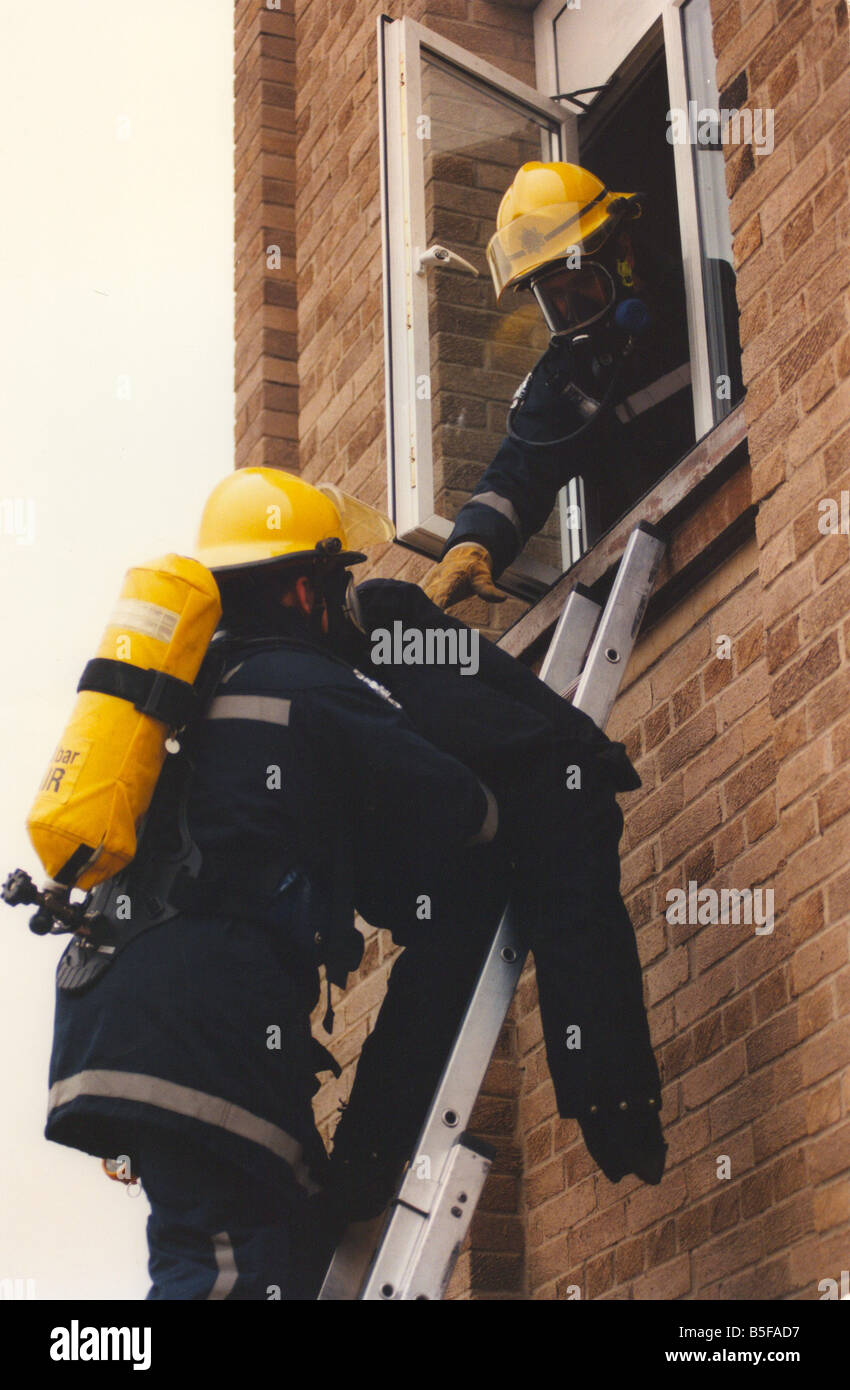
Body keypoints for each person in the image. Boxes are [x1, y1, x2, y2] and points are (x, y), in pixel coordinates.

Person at [44, 469, 505, 1299]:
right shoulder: (306, 684)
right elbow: (460, 808)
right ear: (304, 587)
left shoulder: (186, 696)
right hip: (202, 1031)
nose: (343, 607)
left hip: (127, 1014)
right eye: (339, 586)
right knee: (226, 1267)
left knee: (279, 1244)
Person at [422, 160, 695, 610]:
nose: (572, 309)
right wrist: (472, 543)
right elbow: (517, 475)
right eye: (555, 299)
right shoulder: (569, 376)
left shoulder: (701, 297)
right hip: (657, 578)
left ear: (621, 253)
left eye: (583, 282)